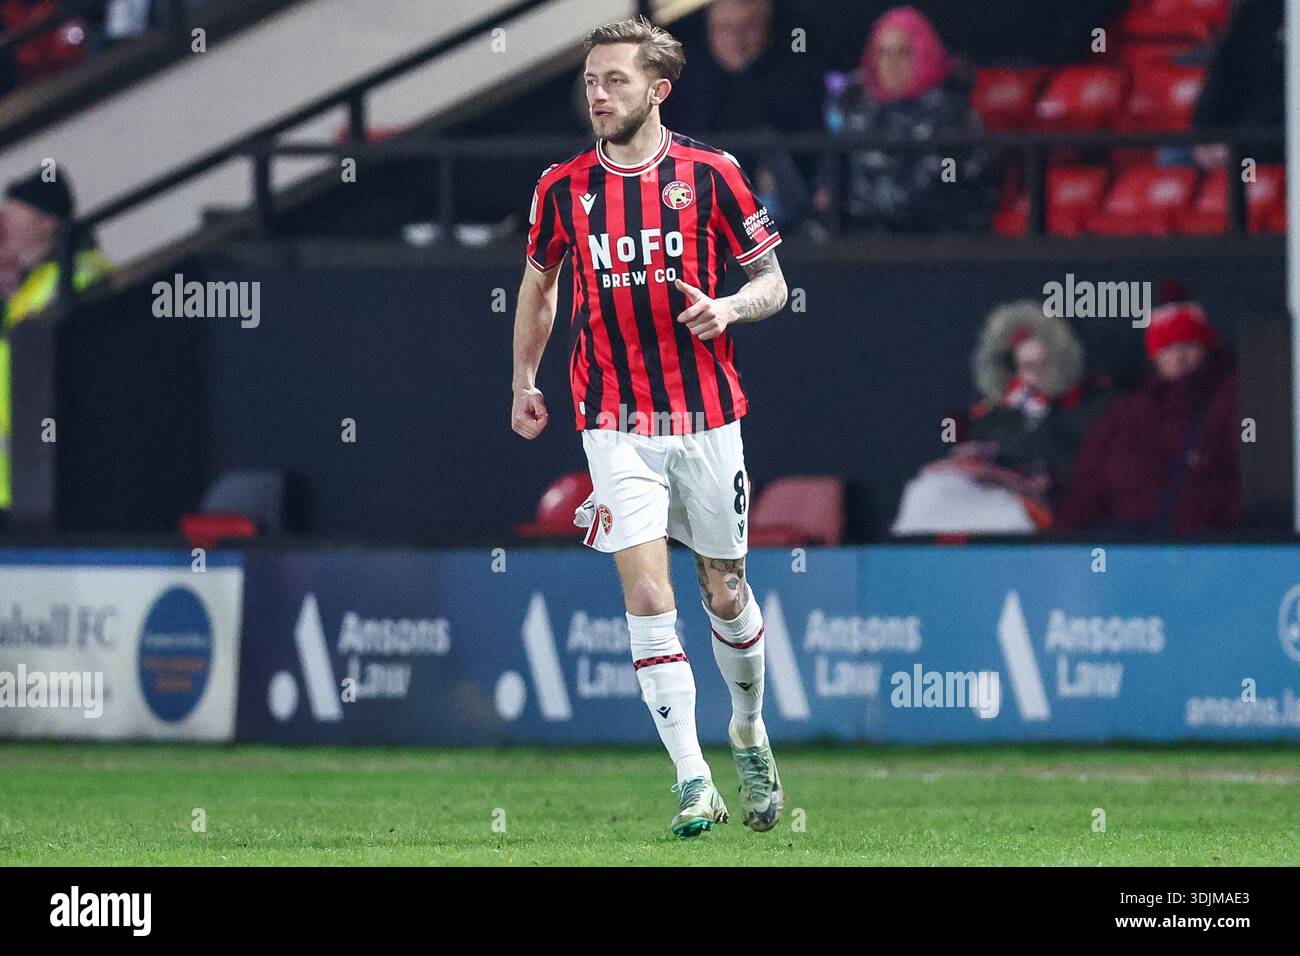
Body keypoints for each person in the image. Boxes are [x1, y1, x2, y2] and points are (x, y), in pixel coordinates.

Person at [510, 15, 788, 839]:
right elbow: (541, 286)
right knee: (643, 589)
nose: (598, 93)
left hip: (707, 416)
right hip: (614, 416)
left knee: (725, 591)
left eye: (616, 80)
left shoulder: (712, 175)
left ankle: (748, 734)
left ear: (658, 90)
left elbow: (771, 280)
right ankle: (692, 779)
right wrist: (523, 380)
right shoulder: (562, 187)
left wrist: (730, 305)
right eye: (592, 80)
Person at [892, 300, 1114, 535]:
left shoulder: (1089, 408)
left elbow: (1059, 480)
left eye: (1040, 366)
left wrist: (1003, 475)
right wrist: (966, 462)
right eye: (1023, 366)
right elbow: (975, 455)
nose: (1030, 376)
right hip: (986, 491)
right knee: (925, 492)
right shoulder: (998, 411)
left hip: (1037, 508)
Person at [1057, 301, 1240, 534]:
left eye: (1188, 345)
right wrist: (1061, 550)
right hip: (1128, 554)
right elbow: (1085, 494)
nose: (1179, 357)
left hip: (1201, 552)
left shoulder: (1228, 404)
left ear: (1206, 349)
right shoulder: (1123, 417)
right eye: (1167, 347)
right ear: (1154, 355)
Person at [813, 5, 997, 234]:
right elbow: (831, 185)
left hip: (935, 246)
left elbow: (963, 188)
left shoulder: (952, 114)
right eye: (883, 52)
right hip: (861, 244)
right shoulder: (855, 113)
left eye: (902, 52)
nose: (891, 63)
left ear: (923, 53)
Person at [0, 169, 111, 513]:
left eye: (12, 216)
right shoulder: (21, 281)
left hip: (39, 485)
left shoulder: (81, 277)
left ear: (47, 223)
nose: (2, 227)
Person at [663, 0, 823, 230]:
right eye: (725, 29)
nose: (737, 40)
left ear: (766, 28)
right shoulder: (682, 87)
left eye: (748, 28)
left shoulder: (793, 85)